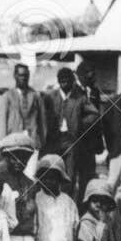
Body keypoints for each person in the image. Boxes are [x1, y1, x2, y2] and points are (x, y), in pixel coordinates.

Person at [49, 67, 100, 200]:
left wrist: (80, 124)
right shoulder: (51, 96)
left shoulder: (80, 97)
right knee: (53, 171)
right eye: (62, 81)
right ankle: (52, 201)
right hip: (54, 140)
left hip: (71, 139)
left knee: (70, 174)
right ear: (58, 81)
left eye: (67, 80)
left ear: (72, 81)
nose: (64, 83)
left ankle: (68, 201)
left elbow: (94, 114)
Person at [1, 62, 49, 161]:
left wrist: (42, 142)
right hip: (13, 141)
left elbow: (42, 121)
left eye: (26, 75)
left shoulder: (35, 95)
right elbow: (2, 121)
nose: (24, 78)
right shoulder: (7, 96)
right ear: (15, 76)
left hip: (32, 139)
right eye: (21, 75)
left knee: (31, 170)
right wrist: (3, 142)